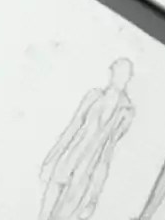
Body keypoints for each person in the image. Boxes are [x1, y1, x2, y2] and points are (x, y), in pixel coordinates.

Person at [39, 58, 135, 220]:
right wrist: (50, 159)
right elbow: (72, 127)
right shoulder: (94, 96)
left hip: (86, 171)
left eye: (124, 75)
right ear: (111, 73)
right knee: (44, 213)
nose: (120, 78)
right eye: (117, 72)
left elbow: (108, 153)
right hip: (68, 159)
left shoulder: (126, 111)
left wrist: (95, 195)